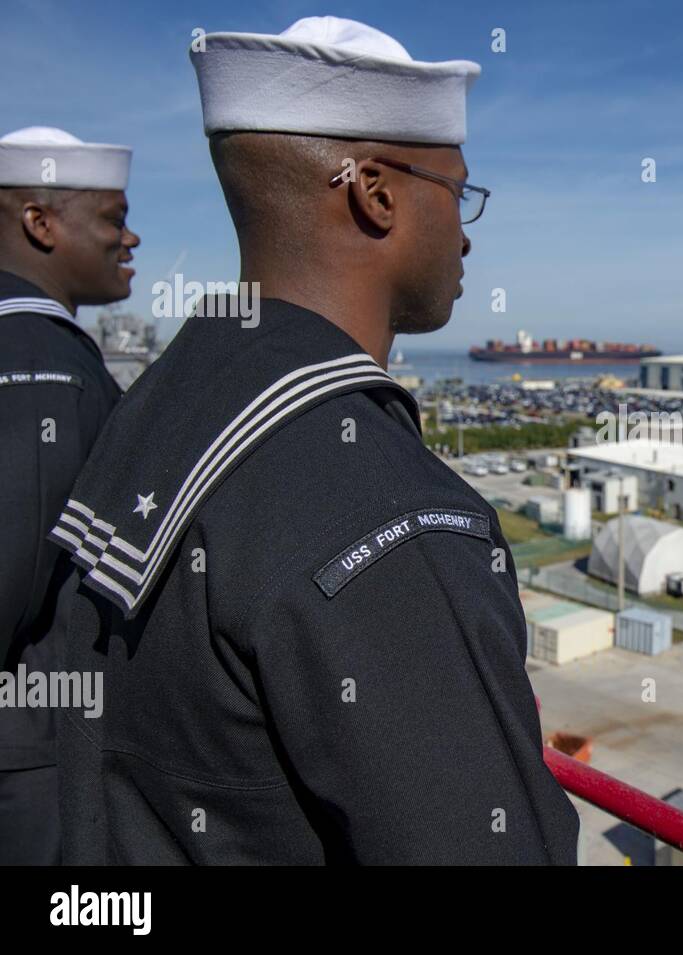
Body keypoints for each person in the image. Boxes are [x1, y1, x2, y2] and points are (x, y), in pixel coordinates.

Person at [50, 16, 578, 864]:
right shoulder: (390, 515)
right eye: (457, 192)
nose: (468, 230)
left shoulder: (158, 403)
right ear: (376, 192)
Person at [0, 126, 137, 864]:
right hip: (34, 799)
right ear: (40, 222)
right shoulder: (42, 368)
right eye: (114, 217)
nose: (133, 235)